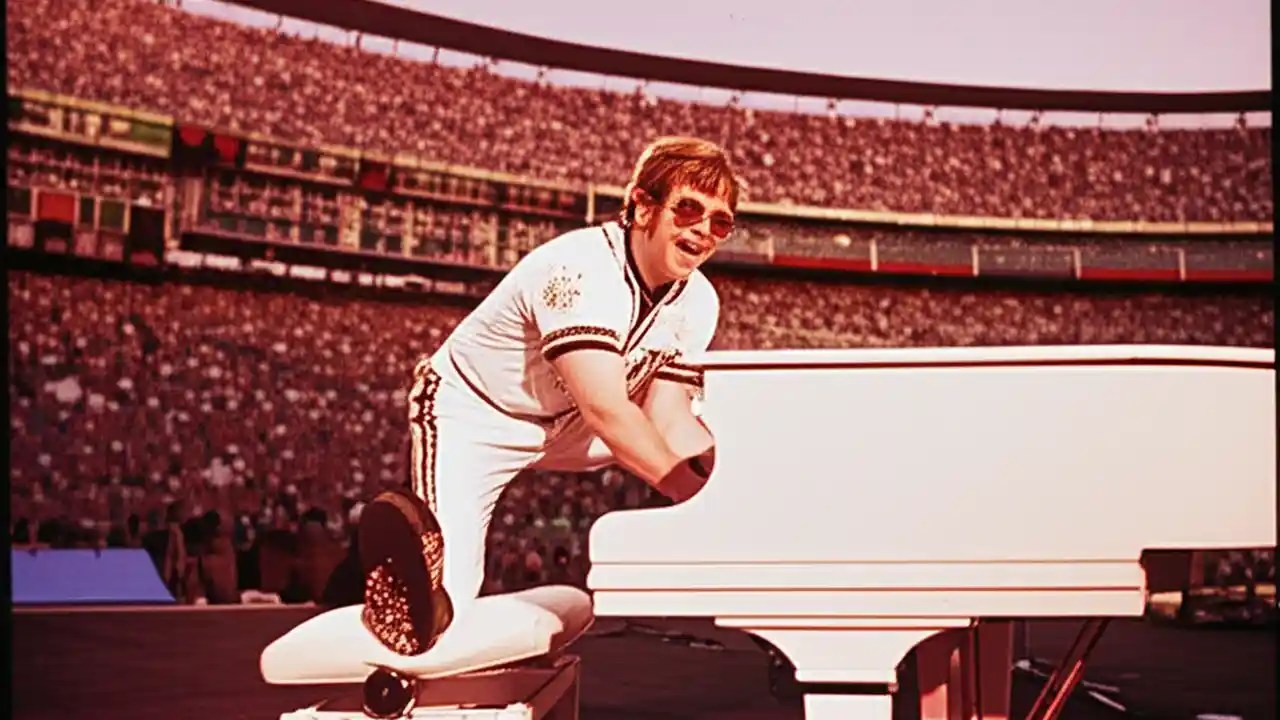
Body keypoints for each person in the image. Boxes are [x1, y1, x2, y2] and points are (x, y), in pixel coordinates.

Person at [359, 136, 743, 657]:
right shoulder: (580, 267)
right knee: (446, 604)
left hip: (569, 425)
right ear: (641, 205)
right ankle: (372, 570)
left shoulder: (698, 300)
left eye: (720, 221)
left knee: (717, 417)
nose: (703, 229)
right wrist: (695, 498)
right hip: (478, 412)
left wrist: (738, 484)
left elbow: (669, 416)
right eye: (689, 208)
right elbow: (606, 408)